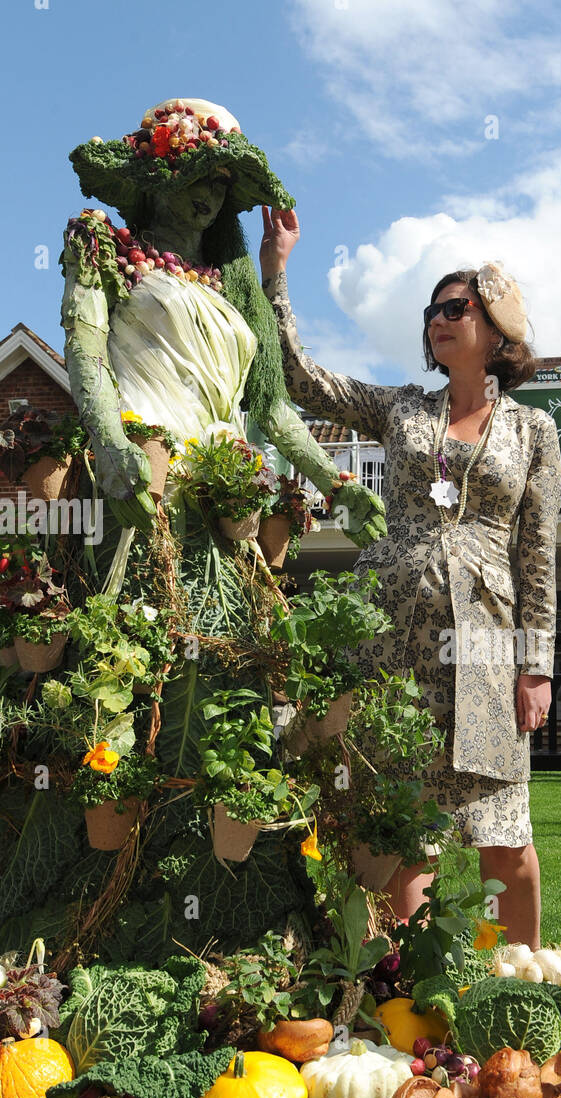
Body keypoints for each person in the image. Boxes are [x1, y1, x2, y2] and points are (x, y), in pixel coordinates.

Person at [19, 98, 388, 966]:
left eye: (225, 187)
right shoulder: (101, 242)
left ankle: (229, 905)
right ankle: (106, 908)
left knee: (236, 692)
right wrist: (108, 445)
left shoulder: (236, 287)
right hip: (141, 493)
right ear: (155, 175)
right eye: (197, 178)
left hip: (226, 509)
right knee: (129, 680)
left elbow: (270, 412)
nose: (210, 199)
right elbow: (84, 351)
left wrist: (334, 479)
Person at [259, 209, 561, 948]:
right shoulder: (399, 408)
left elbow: (538, 555)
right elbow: (301, 380)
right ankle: (399, 984)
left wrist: (537, 667)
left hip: (487, 647)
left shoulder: (533, 430)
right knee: (399, 830)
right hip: (390, 645)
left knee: (503, 832)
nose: (438, 319)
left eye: (456, 307)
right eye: (432, 309)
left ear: (496, 328)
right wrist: (276, 270)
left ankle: (515, 977)